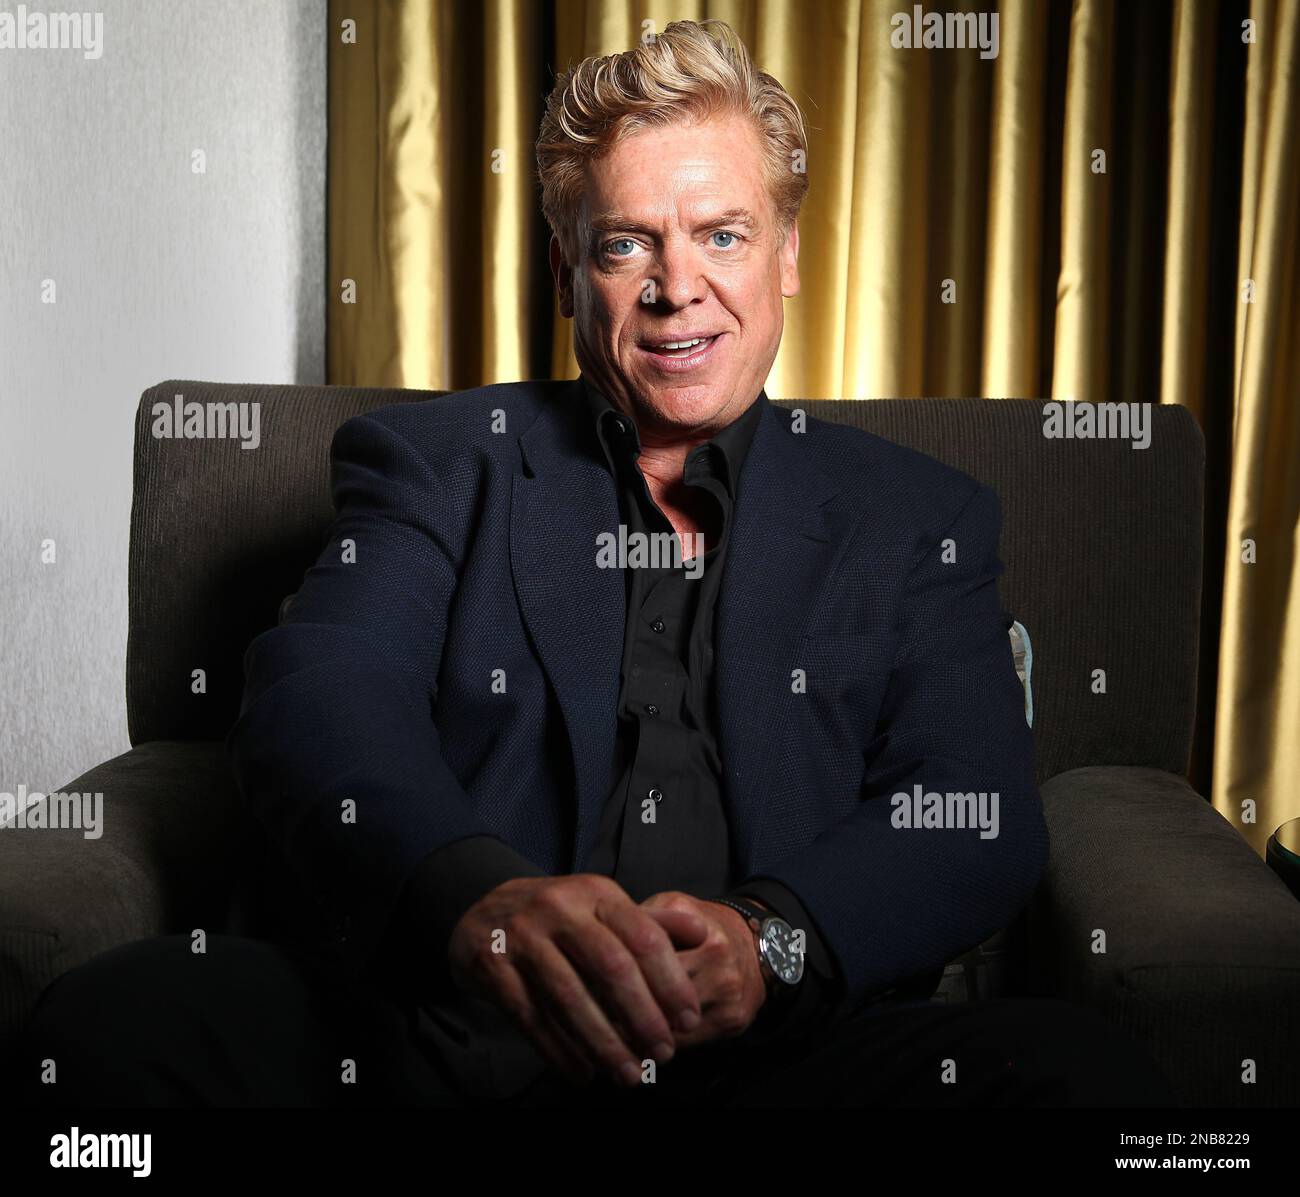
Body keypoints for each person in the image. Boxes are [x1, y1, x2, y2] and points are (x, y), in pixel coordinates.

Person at [14, 19, 1174, 1109]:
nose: (679, 289)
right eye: (628, 244)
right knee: (125, 1023)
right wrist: (476, 901)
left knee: (1091, 1084)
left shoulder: (916, 515)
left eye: (722, 234)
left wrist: (769, 941)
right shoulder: (433, 465)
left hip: (789, 1061)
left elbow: (972, 806)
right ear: (568, 267)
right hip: (441, 1045)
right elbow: (322, 699)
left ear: (787, 256)